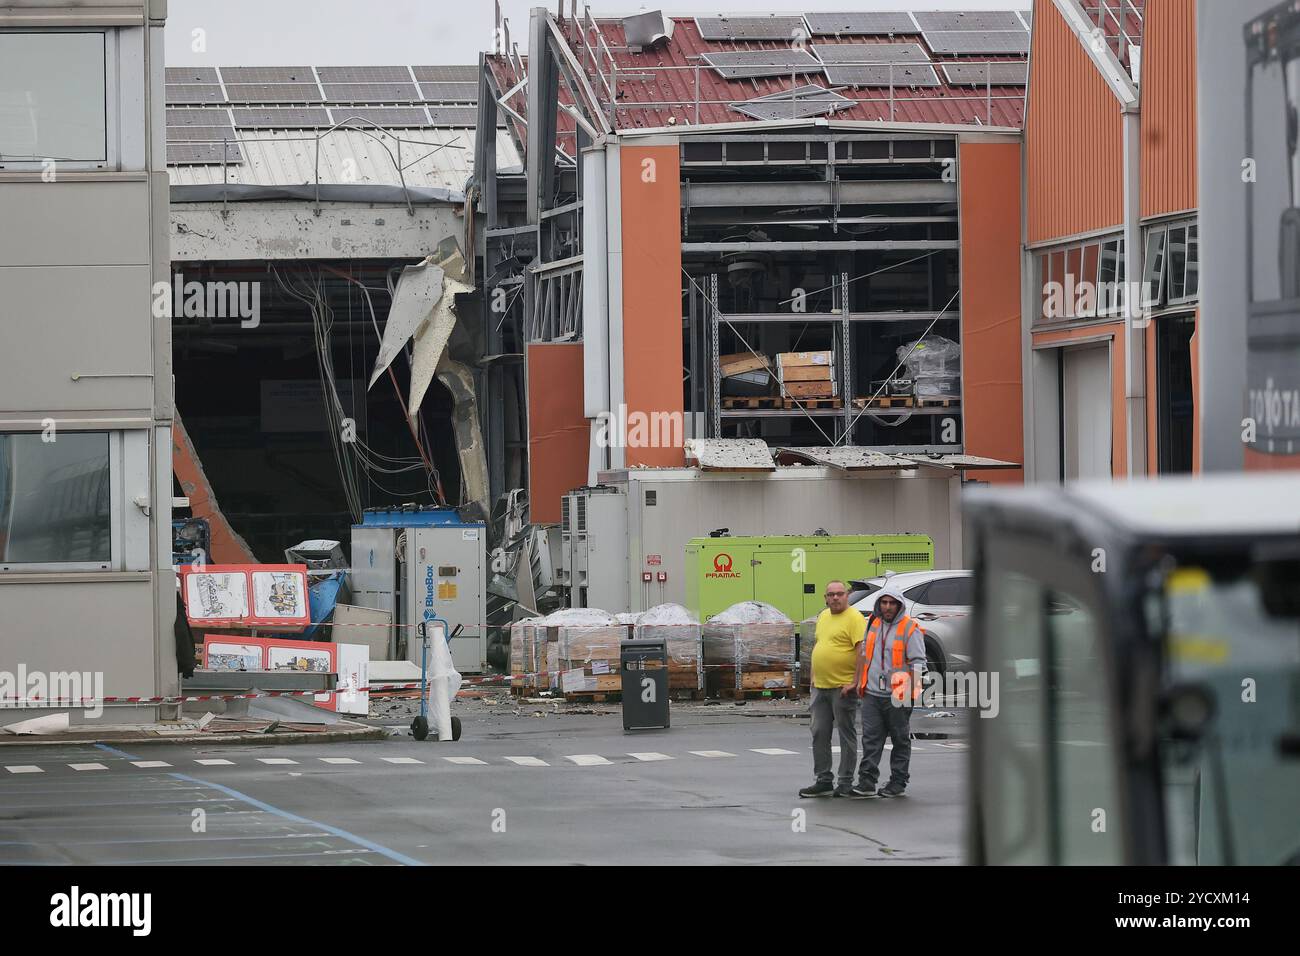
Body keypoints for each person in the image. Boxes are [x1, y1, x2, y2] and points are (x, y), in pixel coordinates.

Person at [851, 582, 926, 798]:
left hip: (898, 696)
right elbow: (865, 655)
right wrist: (860, 683)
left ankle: (898, 782)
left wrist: (911, 694)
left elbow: (919, 663)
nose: (887, 607)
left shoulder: (910, 629)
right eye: (883, 602)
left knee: (900, 739)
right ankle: (866, 782)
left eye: (892, 603)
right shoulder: (873, 624)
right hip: (872, 694)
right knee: (871, 739)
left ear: (899, 605)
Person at [799, 580, 868, 798]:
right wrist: (812, 676)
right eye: (831, 594)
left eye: (839, 594)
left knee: (846, 734)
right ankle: (823, 779)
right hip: (820, 686)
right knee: (819, 732)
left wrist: (855, 681)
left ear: (847, 596)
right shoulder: (824, 617)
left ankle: (845, 781)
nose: (835, 598)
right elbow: (820, 646)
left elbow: (861, 652)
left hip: (842, 686)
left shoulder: (855, 618)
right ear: (825, 598)